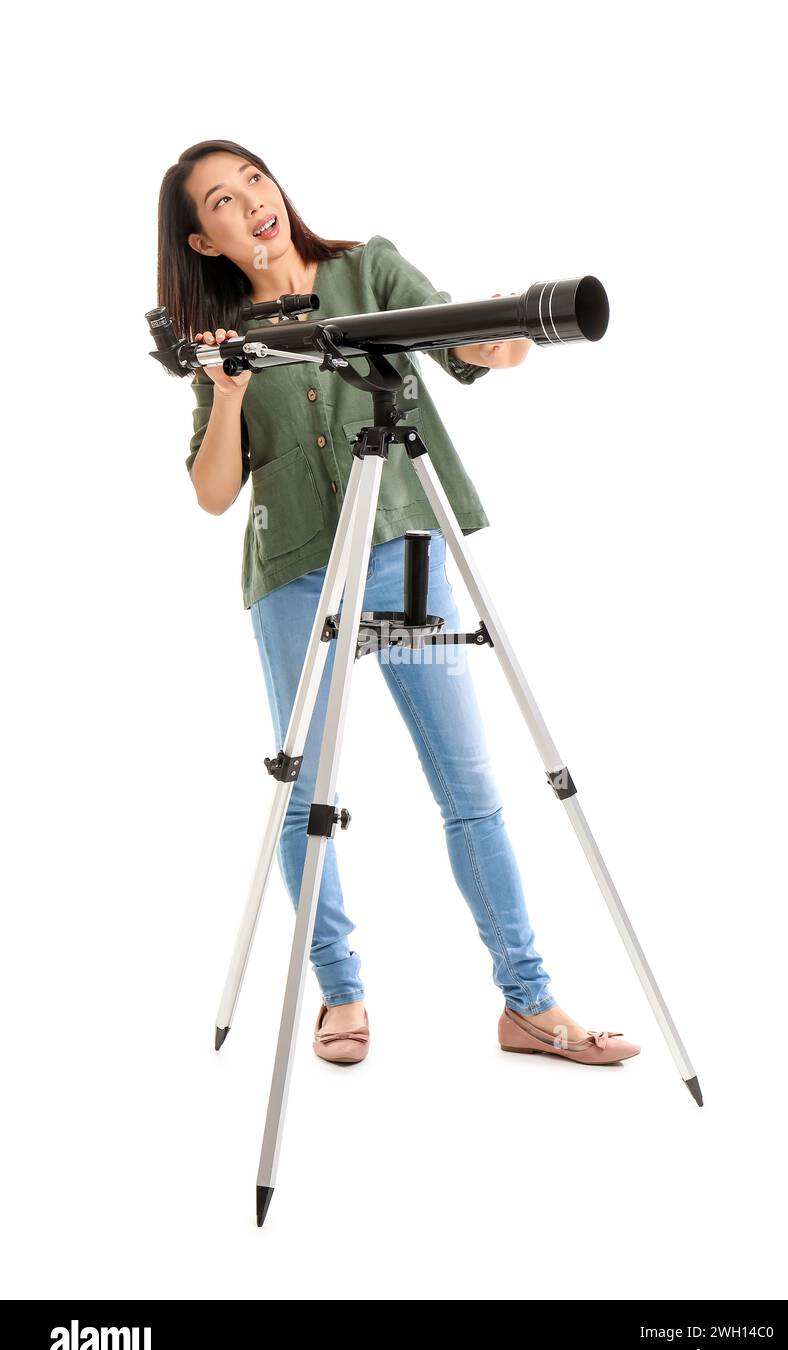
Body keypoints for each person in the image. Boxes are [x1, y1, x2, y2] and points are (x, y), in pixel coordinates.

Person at [155, 138, 641, 1070]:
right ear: (204, 240)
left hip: (400, 557)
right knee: (306, 795)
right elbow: (215, 493)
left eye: (254, 178)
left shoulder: (364, 269)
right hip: (294, 573)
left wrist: (500, 344)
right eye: (222, 200)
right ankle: (338, 990)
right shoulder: (224, 339)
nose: (251, 201)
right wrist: (226, 393)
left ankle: (530, 1003)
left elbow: (462, 339)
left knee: (466, 782)